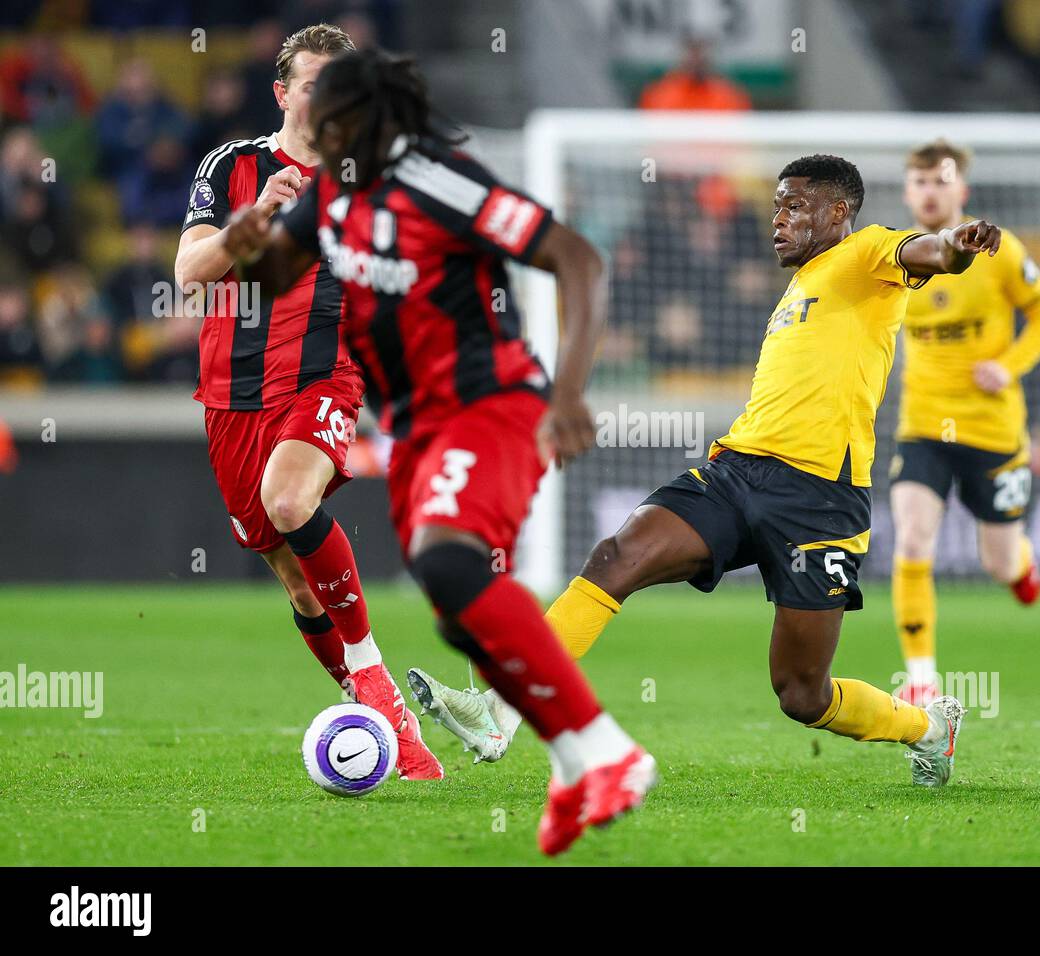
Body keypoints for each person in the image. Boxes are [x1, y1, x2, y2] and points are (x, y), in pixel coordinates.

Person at [421, 154, 1005, 788]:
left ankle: (926, 729)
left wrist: (959, 244)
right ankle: (499, 711)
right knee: (616, 557)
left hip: (819, 498)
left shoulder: (867, 253)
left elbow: (931, 252)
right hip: (737, 472)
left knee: (800, 693)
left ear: (838, 212)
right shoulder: (803, 283)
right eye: (776, 205)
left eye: (795, 206)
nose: (778, 219)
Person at [221, 49, 656, 855]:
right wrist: (250, 240)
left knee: (453, 568)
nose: (316, 135)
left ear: (371, 121)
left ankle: (611, 753)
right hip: (418, 424)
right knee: (457, 612)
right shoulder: (329, 194)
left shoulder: (439, 181)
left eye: (332, 121)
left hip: (492, 404)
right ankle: (571, 768)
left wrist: (567, 394)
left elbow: (575, 258)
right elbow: (276, 270)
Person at [174, 24, 442, 781]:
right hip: (231, 396)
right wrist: (255, 220)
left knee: (291, 501)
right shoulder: (233, 165)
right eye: (314, 83)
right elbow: (190, 271)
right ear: (283, 92)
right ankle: (386, 727)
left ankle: (377, 684)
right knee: (295, 578)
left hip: (325, 378)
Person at [888, 140, 1040, 706]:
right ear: (907, 192)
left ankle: (1021, 565)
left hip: (991, 429)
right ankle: (920, 679)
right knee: (913, 537)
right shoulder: (895, 255)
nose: (929, 191)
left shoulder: (999, 250)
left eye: (940, 181)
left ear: (961, 190)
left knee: (999, 561)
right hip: (922, 427)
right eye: (919, 182)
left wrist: (1008, 367)